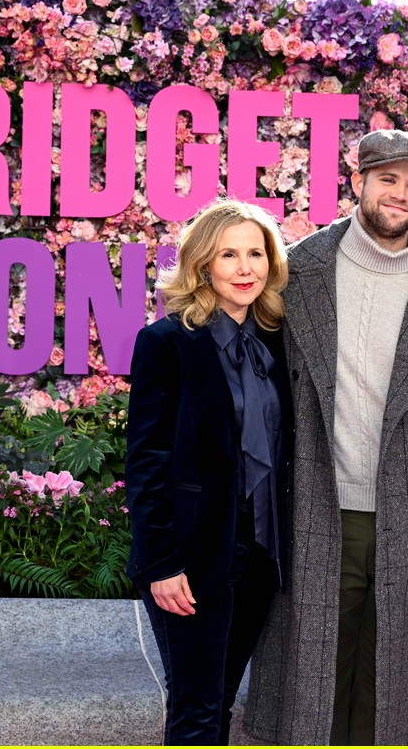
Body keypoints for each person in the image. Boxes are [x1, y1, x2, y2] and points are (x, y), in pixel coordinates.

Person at [243, 128, 408, 745]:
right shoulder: (295, 273)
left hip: (406, 521)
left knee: (389, 696)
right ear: (359, 181)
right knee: (311, 686)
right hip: (310, 507)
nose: (399, 195)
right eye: (388, 179)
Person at [125, 198, 293, 745]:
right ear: (202, 264)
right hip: (190, 558)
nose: (246, 268)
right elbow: (146, 462)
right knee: (196, 709)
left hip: (259, 554)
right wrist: (161, 563)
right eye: (229, 255)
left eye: (255, 253)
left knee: (218, 701)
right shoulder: (167, 344)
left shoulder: (277, 344)